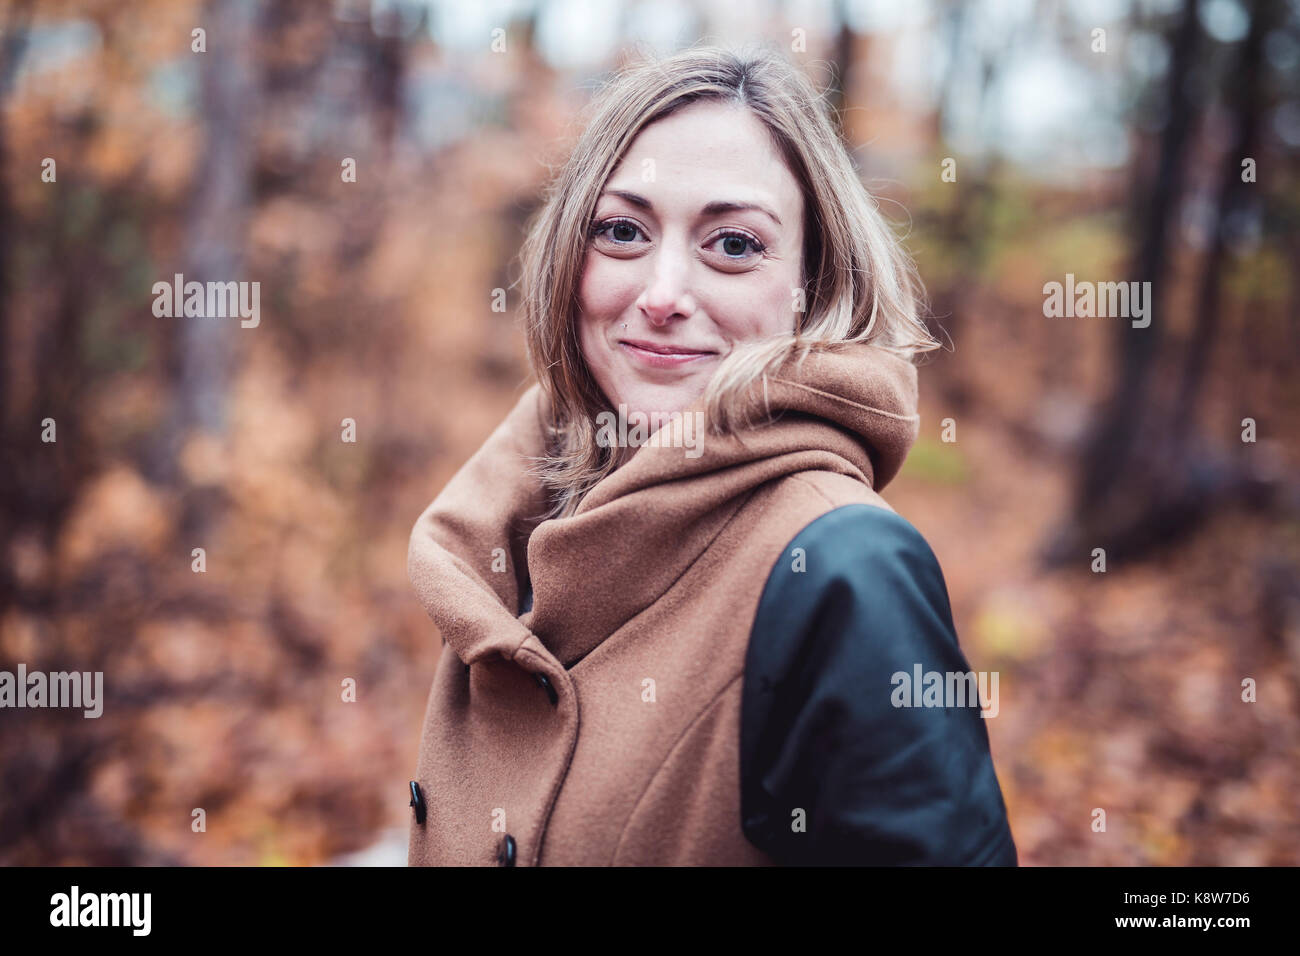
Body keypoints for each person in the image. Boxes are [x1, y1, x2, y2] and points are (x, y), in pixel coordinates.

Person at [405, 45, 1017, 866]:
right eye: (621, 231)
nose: (661, 296)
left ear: (818, 282)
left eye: (732, 245)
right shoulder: (519, 513)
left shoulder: (844, 569)